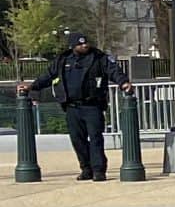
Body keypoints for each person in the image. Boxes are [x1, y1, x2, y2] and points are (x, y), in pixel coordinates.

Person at [17, 30, 123, 181]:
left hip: (92, 105)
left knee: (95, 139)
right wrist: (32, 86)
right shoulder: (63, 60)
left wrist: (123, 82)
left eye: (86, 42)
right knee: (77, 140)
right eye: (81, 44)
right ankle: (86, 168)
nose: (85, 45)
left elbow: (114, 71)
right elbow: (48, 76)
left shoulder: (98, 57)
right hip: (72, 107)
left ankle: (98, 170)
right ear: (73, 46)